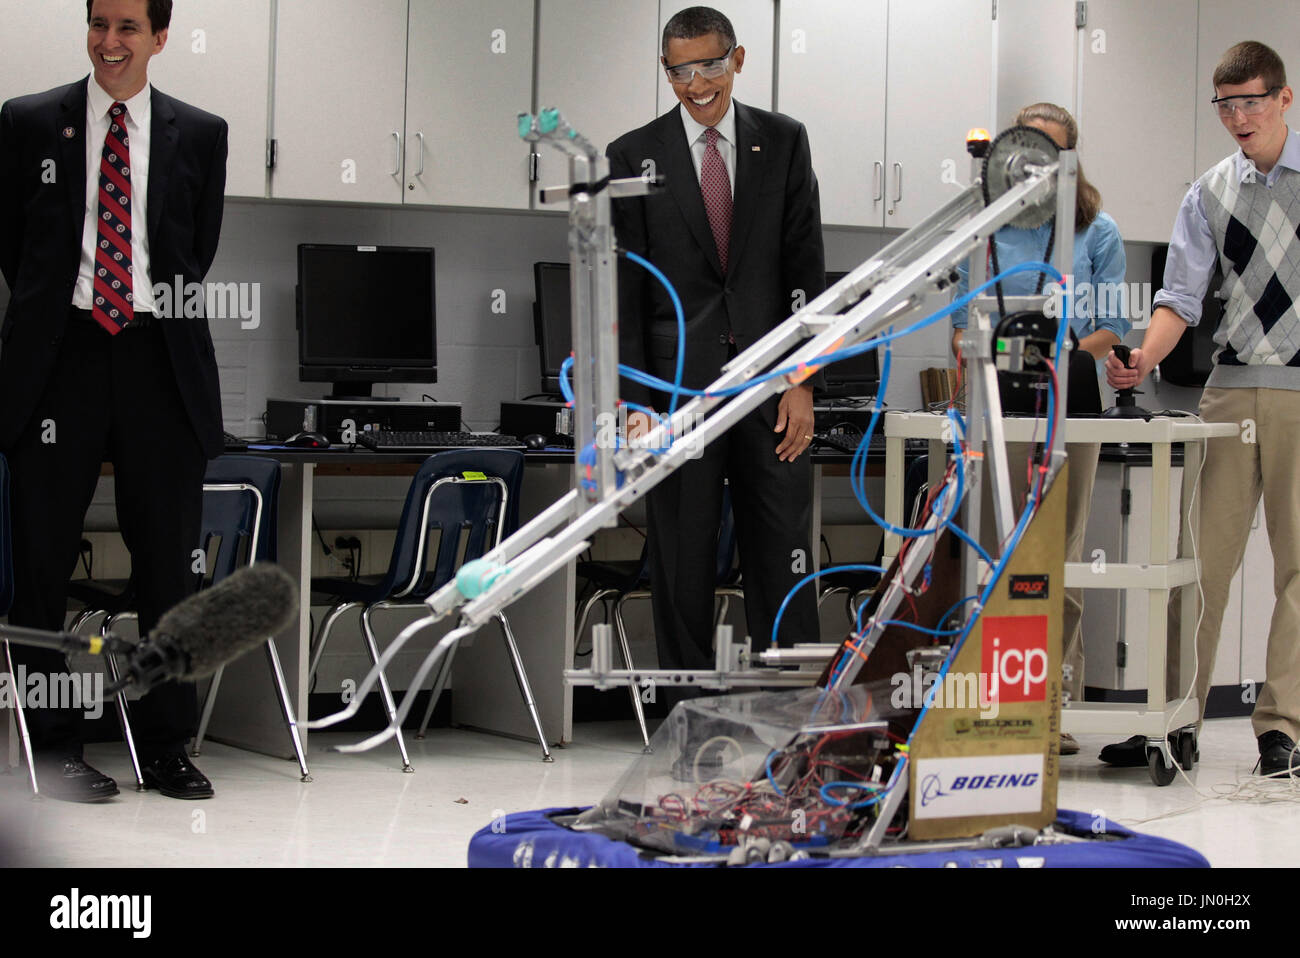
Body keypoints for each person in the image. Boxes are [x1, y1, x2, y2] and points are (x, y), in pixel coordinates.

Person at [0, 0, 227, 801]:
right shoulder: (29, 122)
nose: (110, 41)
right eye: (100, 23)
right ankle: (54, 747)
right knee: (42, 566)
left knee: (169, 567)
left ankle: (166, 747)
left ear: (160, 38)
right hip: (59, 357)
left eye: (129, 27)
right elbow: (13, 243)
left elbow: (194, 250)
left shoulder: (199, 134)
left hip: (157, 358)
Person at [607, 6, 824, 688]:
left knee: (782, 551)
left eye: (708, 66)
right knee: (683, 558)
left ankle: (789, 714)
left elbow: (803, 272)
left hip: (769, 390)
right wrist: (636, 404)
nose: (696, 84)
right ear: (665, 71)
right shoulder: (632, 155)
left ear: (738, 59)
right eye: (679, 71)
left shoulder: (783, 142)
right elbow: (627, 296)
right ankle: (684, 713)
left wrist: (802, 380)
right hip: (678, 398)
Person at [1103, 41, 1300, 778]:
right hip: (1231, 390)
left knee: (1297, 571)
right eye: (1226, 105)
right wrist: (1143, 359)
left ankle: (1280, 728)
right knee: (1199, 567)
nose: (1239, 118)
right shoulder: (1210, 192)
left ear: (1285, 99)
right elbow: (1180, 299)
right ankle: (1177, 719)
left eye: (1252, 101)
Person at [950, 103, 1130, 754]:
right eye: (1019, 151)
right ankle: (997, 700)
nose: (1028, 166)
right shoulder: (986, 225)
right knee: (998, 552)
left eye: (1044, 154)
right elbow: (959, 317)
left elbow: (1116, 327)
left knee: (1061, 553)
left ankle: (1051, 701)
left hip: (1070, 403)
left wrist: (1065, 353)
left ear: (1068, 162)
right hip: (999, 405)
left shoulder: (1096, 230)